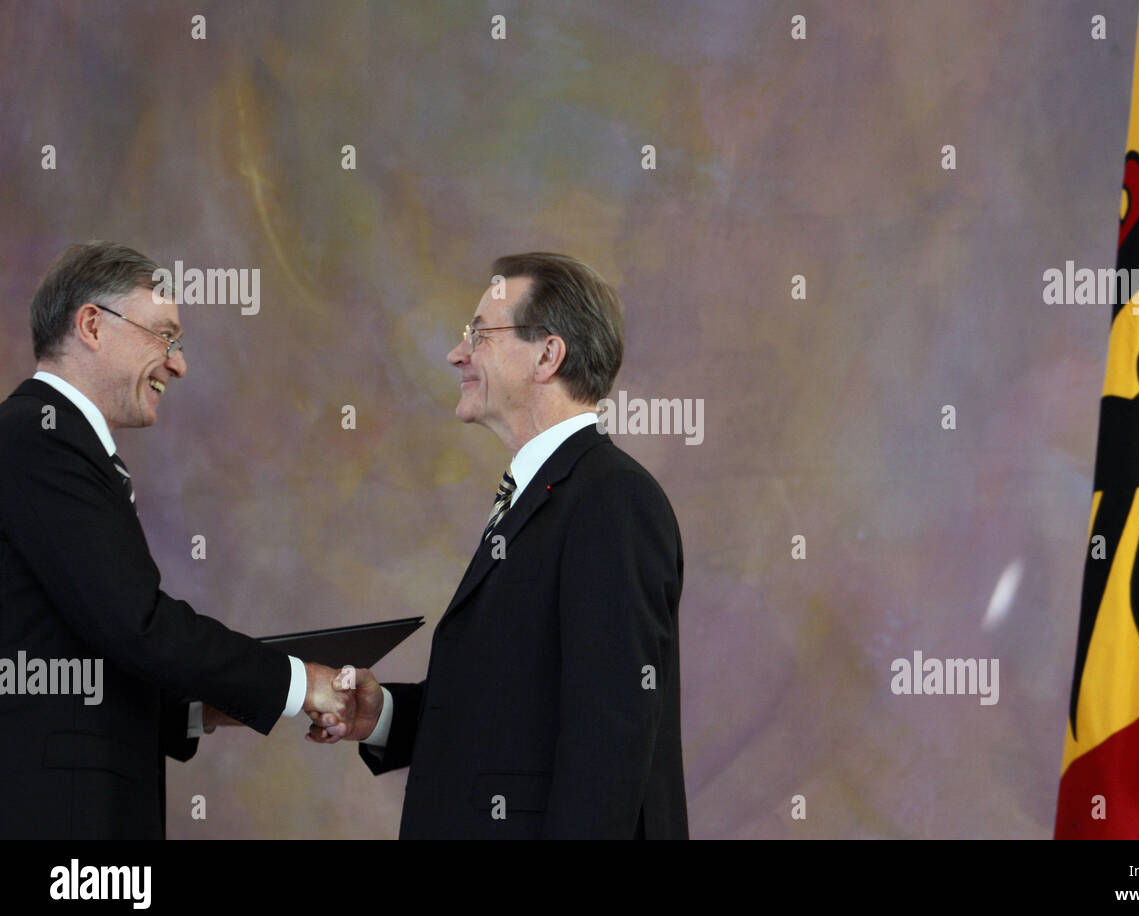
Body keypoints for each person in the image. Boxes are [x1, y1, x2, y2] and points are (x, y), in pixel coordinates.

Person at [309, 253, 688, 838]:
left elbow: (610, 738)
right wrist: (382, 715)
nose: (457, 354)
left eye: (479, 335)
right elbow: (507, 704)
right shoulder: (544, 493)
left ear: (547, 355)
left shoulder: (614, 502)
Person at [0, 241, 353, 839]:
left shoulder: (52, 440)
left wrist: (199, 704)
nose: (178, 364)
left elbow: (84, 645)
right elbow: (133, 623)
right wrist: (299, 681)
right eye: (165, 336)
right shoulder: (40, 437)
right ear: (92, 324)